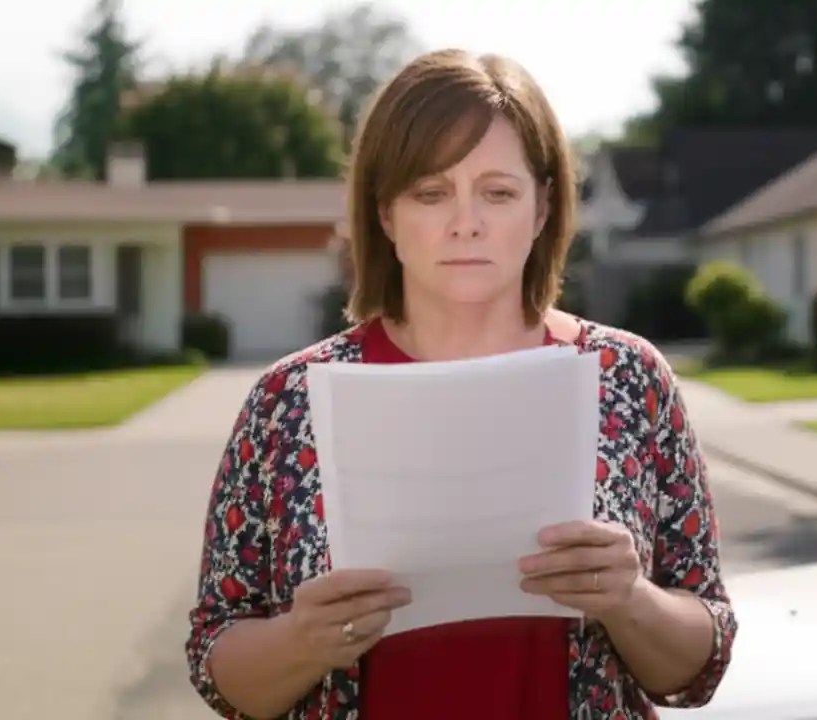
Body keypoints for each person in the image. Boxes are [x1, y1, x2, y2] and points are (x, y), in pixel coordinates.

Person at [184, 48, 737, 719]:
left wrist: (630, 600)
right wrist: (301, 642)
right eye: (431, 191)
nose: (465, 221)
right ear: (385, 214)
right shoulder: (288, 401)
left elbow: (696, 668)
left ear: (541, 210)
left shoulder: (629, 378)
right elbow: (219, 661)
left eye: (498, 192)